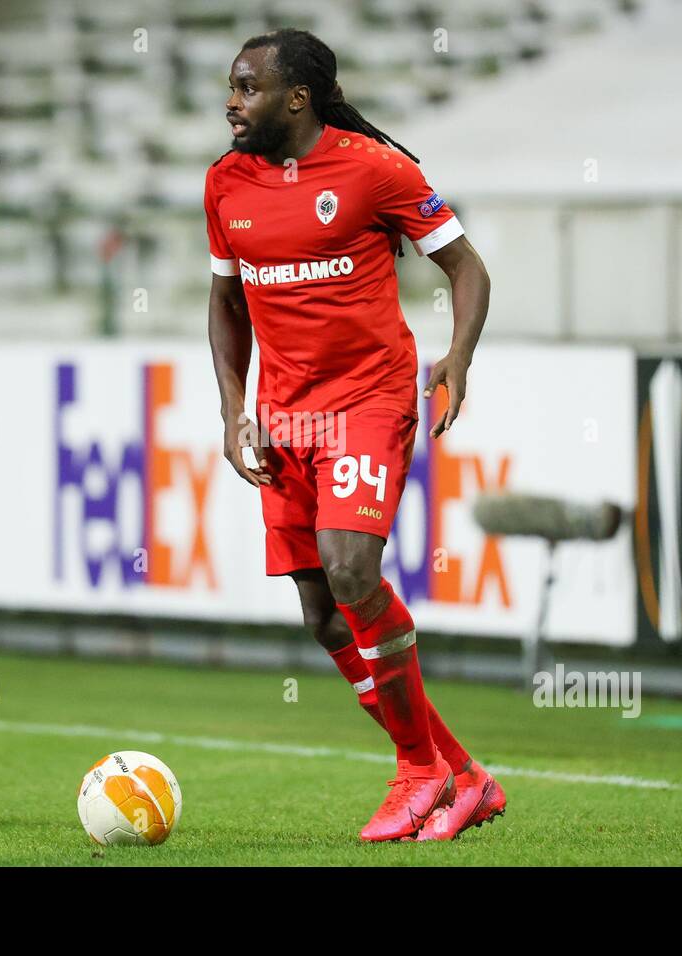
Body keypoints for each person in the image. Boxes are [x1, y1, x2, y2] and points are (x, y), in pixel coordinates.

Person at [205, 29, 499, 842]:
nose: (232, 101)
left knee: (349, 568)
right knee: (324, 615)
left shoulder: (374, 171)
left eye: (247, 87)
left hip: (367, 402)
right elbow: (227, 304)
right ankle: (464, 776)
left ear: (296, 98)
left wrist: (458, 356)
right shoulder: (224, 184)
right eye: (231, 87)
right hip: (285, 415)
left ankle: (418, 772)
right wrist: (236, 410)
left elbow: (467, 266)